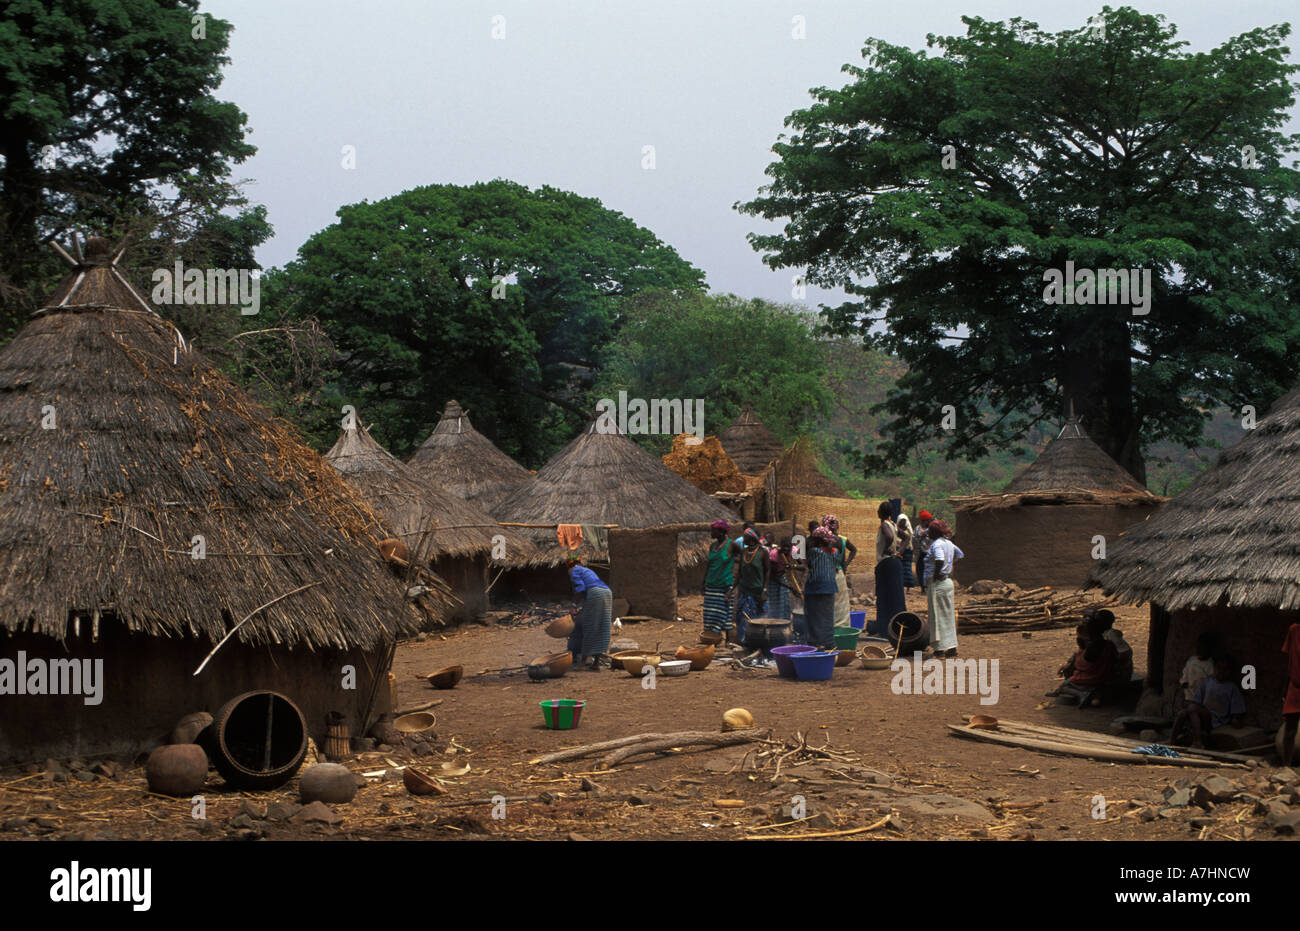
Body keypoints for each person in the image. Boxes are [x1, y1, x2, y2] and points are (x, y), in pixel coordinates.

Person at [1175, 657, 1246, 748]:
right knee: (1182, 713)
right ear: (1215, 668)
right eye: (1218, 668)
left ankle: (1197, 742)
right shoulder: (1208, 682)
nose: (1221, 671)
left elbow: (1237, 709)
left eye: (1225, 669)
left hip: (1215, 720)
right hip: (1199, 715)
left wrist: (1236, 719)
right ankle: (1172, 741)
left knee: (1192, 708)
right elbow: (1196, 700)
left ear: (1229, 672)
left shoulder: (1232, 688)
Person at [922, 519, 964, 657]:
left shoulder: (937, 545)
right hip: (947, 583)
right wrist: (949, 567)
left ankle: (939, 650)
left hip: (937, 584)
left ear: (933, 532)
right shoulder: (949, 543)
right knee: (948, 616)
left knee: (936, 617)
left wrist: (937, 574)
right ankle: (952, 648)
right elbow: (960, 555)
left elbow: (939, 560)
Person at [565, 554, 612, 670]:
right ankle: (596, 663)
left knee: (589, 627)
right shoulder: (587, 570)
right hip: (607, 593)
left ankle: (582, 663)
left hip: (595, 594)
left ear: (570, 565)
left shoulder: (574, 571)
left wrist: (573, 605)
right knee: (602, 626)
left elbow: (580, 589)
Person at [802, 527, 840, 651]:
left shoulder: (814, 551)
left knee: (813, 615)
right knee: (827, 617)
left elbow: (806, 563)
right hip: (830, 587)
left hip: (815, 588)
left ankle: (814, 643)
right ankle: (829, 642)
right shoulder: (836, 551)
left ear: (816, 540)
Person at [872, 502, 906, 637]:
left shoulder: (884, 525)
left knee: (884, 597)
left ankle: (884, 630)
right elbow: (907, 537)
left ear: (880, 512)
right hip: (895, 563)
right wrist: (899, 551)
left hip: (886, 564)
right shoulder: (894, 524)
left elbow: (890, 537)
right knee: (896, 596)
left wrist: (887, 549)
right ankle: (898, 628)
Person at [731, 527, 769, 645]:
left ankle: (757, 643)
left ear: (752, 538)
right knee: (742, 618)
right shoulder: (744, 552)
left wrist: (764, 590)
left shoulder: (763, 552)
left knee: (757, 620)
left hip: (757, 592)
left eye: (745, 537)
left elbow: (768, 571)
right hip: (744, 591)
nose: (743, 539)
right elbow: (740, 573)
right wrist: (732, 589)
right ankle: (745, 643)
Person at [821, 514, 857, 629]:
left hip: (827, 574)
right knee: (841, 603)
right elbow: (854, 550)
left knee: (829, 602)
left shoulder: (825, 541)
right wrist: (845, 564)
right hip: (840, 574)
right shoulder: (842, 540)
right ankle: (843, 628)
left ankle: (829, 630)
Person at [701, 520, 734, 640]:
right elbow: (709, 565)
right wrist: (703, 582)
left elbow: (743, 561)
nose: (711, 532)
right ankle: (713, 640)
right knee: (710, 615)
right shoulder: (712, 546)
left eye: (713, 530)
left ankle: (729, 641)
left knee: (725, 614)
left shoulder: (732, 545)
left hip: (725, 585)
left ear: (721, 532)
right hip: (711, 585)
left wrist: (733, 578)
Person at [1090, 609, 1133, 690]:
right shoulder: (1102, 634)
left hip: (1119, 674)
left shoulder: (1111, 635)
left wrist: (1113, 664)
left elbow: (1126, 652)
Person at [1282, 623, 1300, 766]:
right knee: (1290, 731)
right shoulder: (1294, 630)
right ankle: (1286, 766)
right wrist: (1284, 689)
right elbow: (1286, 662)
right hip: (1295, 687)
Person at [765, 537, 794, 620]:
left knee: (785, 604)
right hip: (773, 581)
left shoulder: (791, 552)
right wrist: (790, 587)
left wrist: (793, 566)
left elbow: (802, 566)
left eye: (788, 547)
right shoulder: (774, 555)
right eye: (784, 546)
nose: (786, 549)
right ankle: (775, 626)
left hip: (782, 578)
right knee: (774, 605)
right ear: (780, 546)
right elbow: (774, 576)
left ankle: (784, 624)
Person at [914, 510, 934, 587]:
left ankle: (928, 585)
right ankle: (922, 587)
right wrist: (920, 537)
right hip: (920, 553)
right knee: (920, 570)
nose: (929, 522)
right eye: (928, 520)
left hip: (930, 553)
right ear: (924, 521)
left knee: (929, 569)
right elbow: (914, 540)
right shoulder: (917, 529)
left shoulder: (932, 529)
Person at [896, 512, 916, 588]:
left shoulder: (909, 530)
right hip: (899, 551)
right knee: (900, 568)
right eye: (901, 521)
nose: (902, 523)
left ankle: (908, 586)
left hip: (907, 551)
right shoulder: (896, 530)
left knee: (907, 569)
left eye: (903, 521)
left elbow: (910, 540)